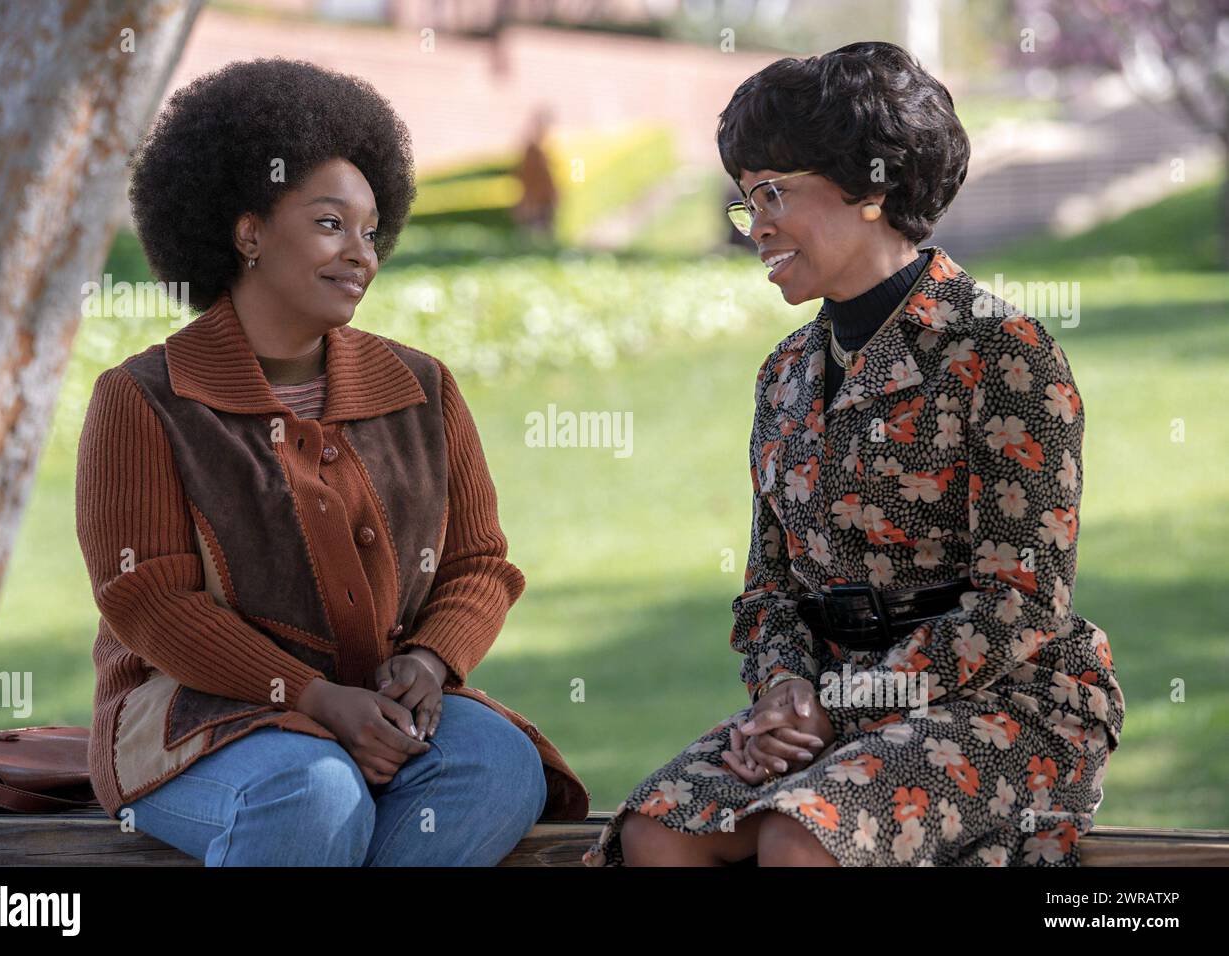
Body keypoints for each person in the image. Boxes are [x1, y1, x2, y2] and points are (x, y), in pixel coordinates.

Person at [583, 41, 1123, 867]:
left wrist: (838, 709)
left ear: (871, 187)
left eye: (773, 192)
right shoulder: (786, 374)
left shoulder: (1001, 350)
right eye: (744, 200)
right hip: (825, 701)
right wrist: (783, 693)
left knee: (801, 838)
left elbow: (1020, 604)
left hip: (1006, 703)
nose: (755, 224)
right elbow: (769, 588)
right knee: (660, 829)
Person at [75, 57, 588, 867]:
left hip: (384, 712)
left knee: (496, 766)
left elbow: (479, 565)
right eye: (329, 224)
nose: (362, 253)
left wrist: (428, 658)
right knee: (310, 793)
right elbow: (152, 605)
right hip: (203, 720)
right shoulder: (145, 399)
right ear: (248, 232)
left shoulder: (420, 388)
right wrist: (315, 701)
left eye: (370, 230)